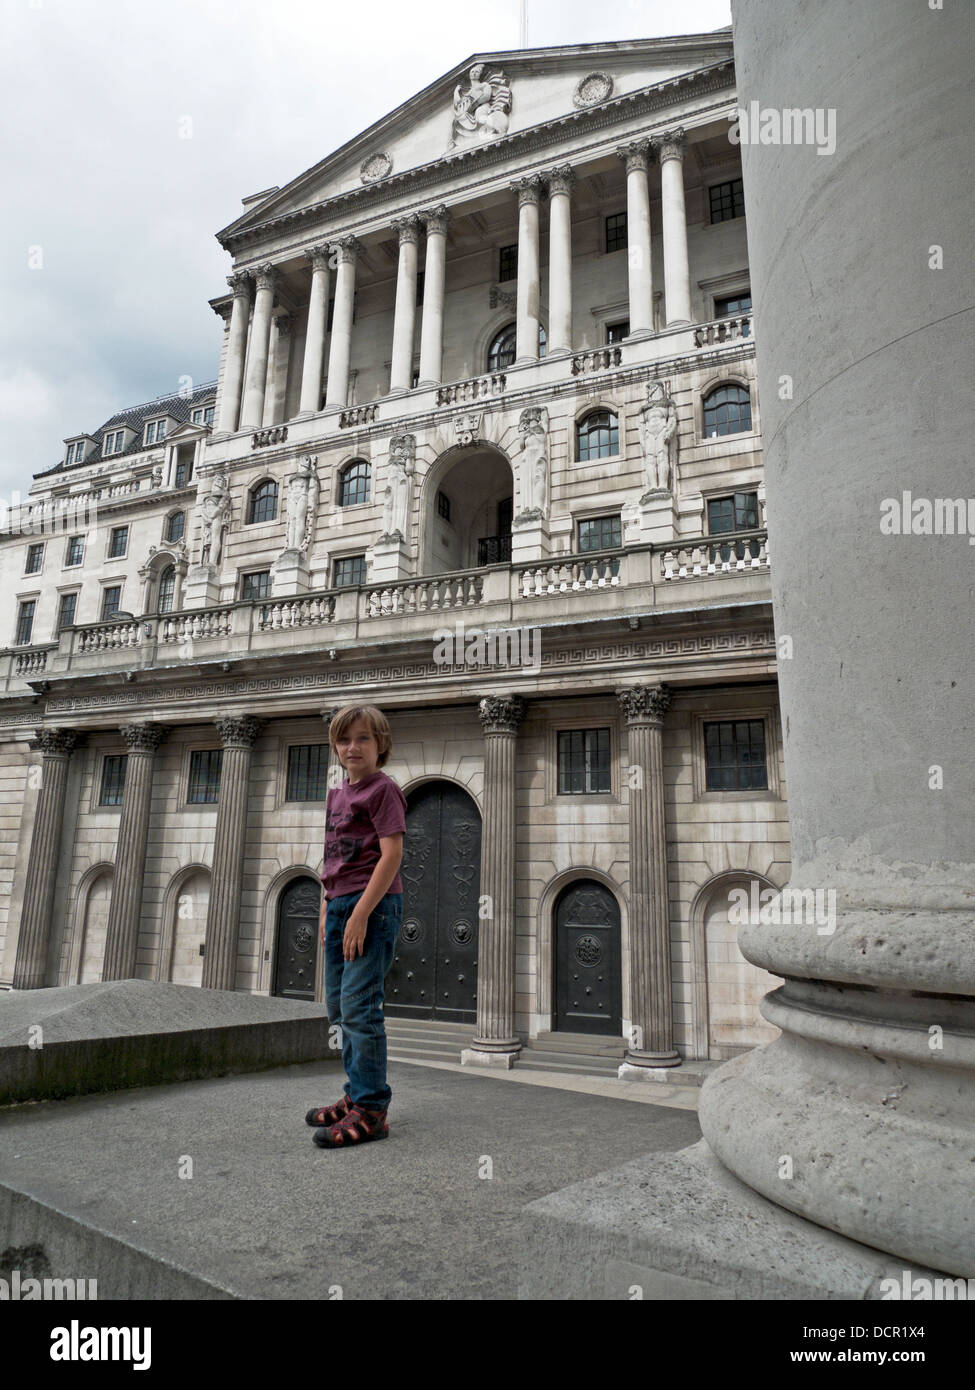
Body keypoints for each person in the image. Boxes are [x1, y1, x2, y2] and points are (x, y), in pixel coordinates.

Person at [305, 703, 406, 1148]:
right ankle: (356, 1094)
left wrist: (361, 913)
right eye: (345, 739)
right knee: (340, 1010)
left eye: (363, 738)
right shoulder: (336, 793)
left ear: (380, 745)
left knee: (361, 1009)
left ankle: (373, 1110)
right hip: (339, 904)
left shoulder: (384, 791)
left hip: (374, 907)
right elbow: (333, 856)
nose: (352, 747)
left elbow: (392, 856)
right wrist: (329, 907)